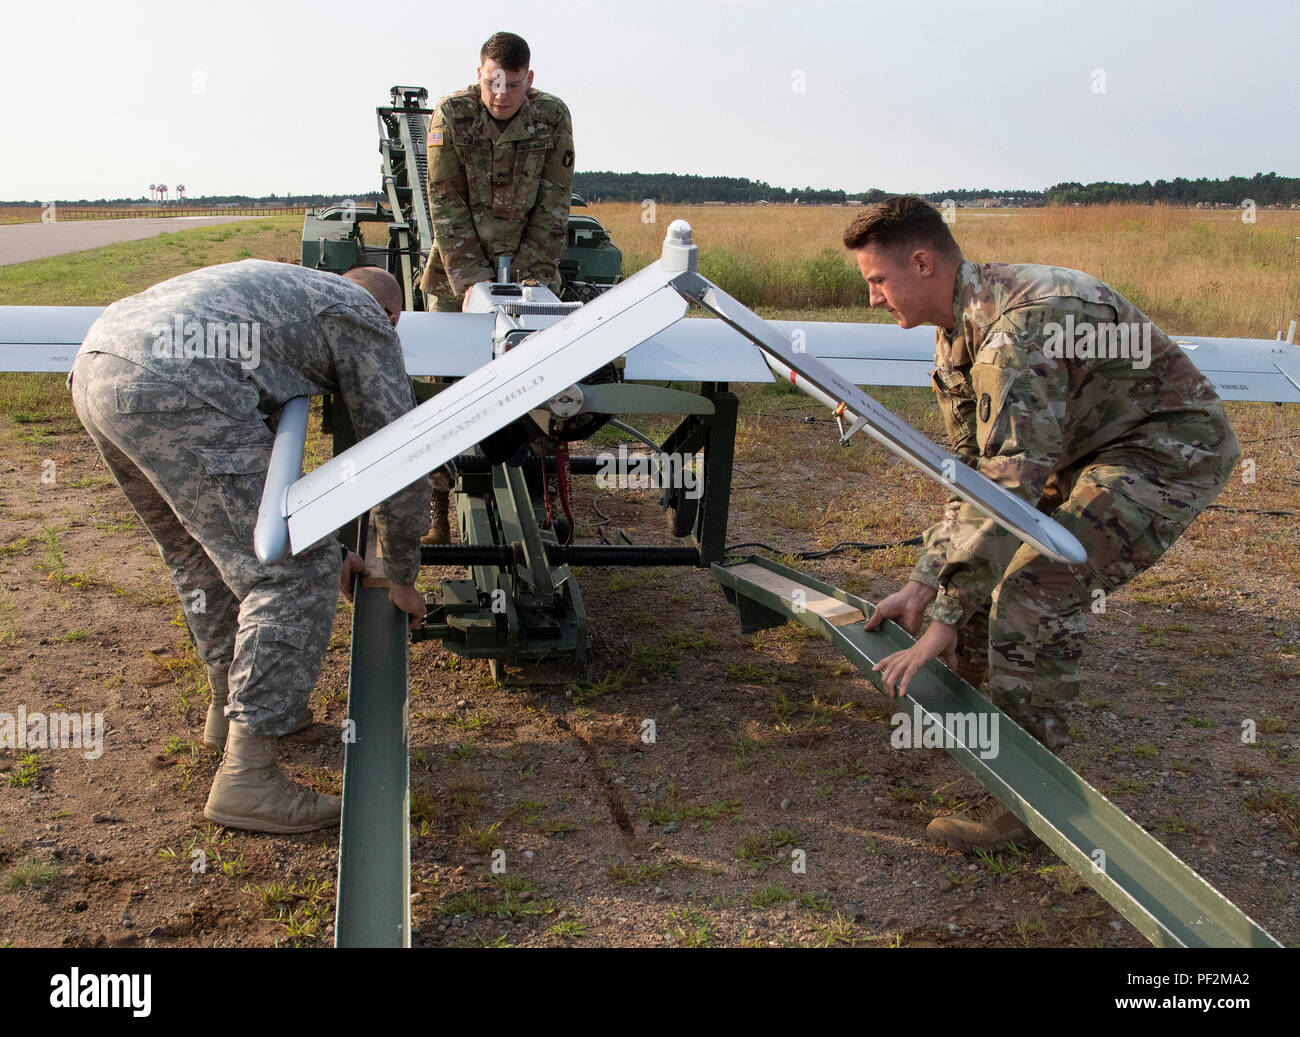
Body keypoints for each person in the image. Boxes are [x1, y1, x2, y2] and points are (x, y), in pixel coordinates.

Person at [846, 196, 1239, 850]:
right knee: (971, 590)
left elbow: (1012, 487)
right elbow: (971, 478)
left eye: (877, 281)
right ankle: (991, 736)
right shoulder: (954, 335)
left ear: (921, 262)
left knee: (1035, 591)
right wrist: (922, 588)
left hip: (1165, 451)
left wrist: (942, 619)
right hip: (1081, 449)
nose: (872, 299)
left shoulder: (1014, 331)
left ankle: (1031, 811)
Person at [70, 260, 429, 834]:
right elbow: (398, 451)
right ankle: (248, 776)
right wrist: (404, 575)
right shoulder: (362, 315)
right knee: (291, 567)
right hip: (176, 382)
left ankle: (226, 711)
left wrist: (340, 549)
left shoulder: (288, 288)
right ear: (391, 317)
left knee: (199, 552)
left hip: (99, 368)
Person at [416, 30, 575, 545]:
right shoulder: (452, 115)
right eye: (492, 82)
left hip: (531, 272)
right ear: (479, 74)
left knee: (535, 378)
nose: (500, 94)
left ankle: (532, 488)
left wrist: (524, 286)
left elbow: (554, 205)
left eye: (511, 84)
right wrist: (475, 287)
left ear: (529, 79)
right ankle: (438, 503)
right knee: (440, 392)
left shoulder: (552, 117)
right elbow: (445, 202)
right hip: (457, 275)